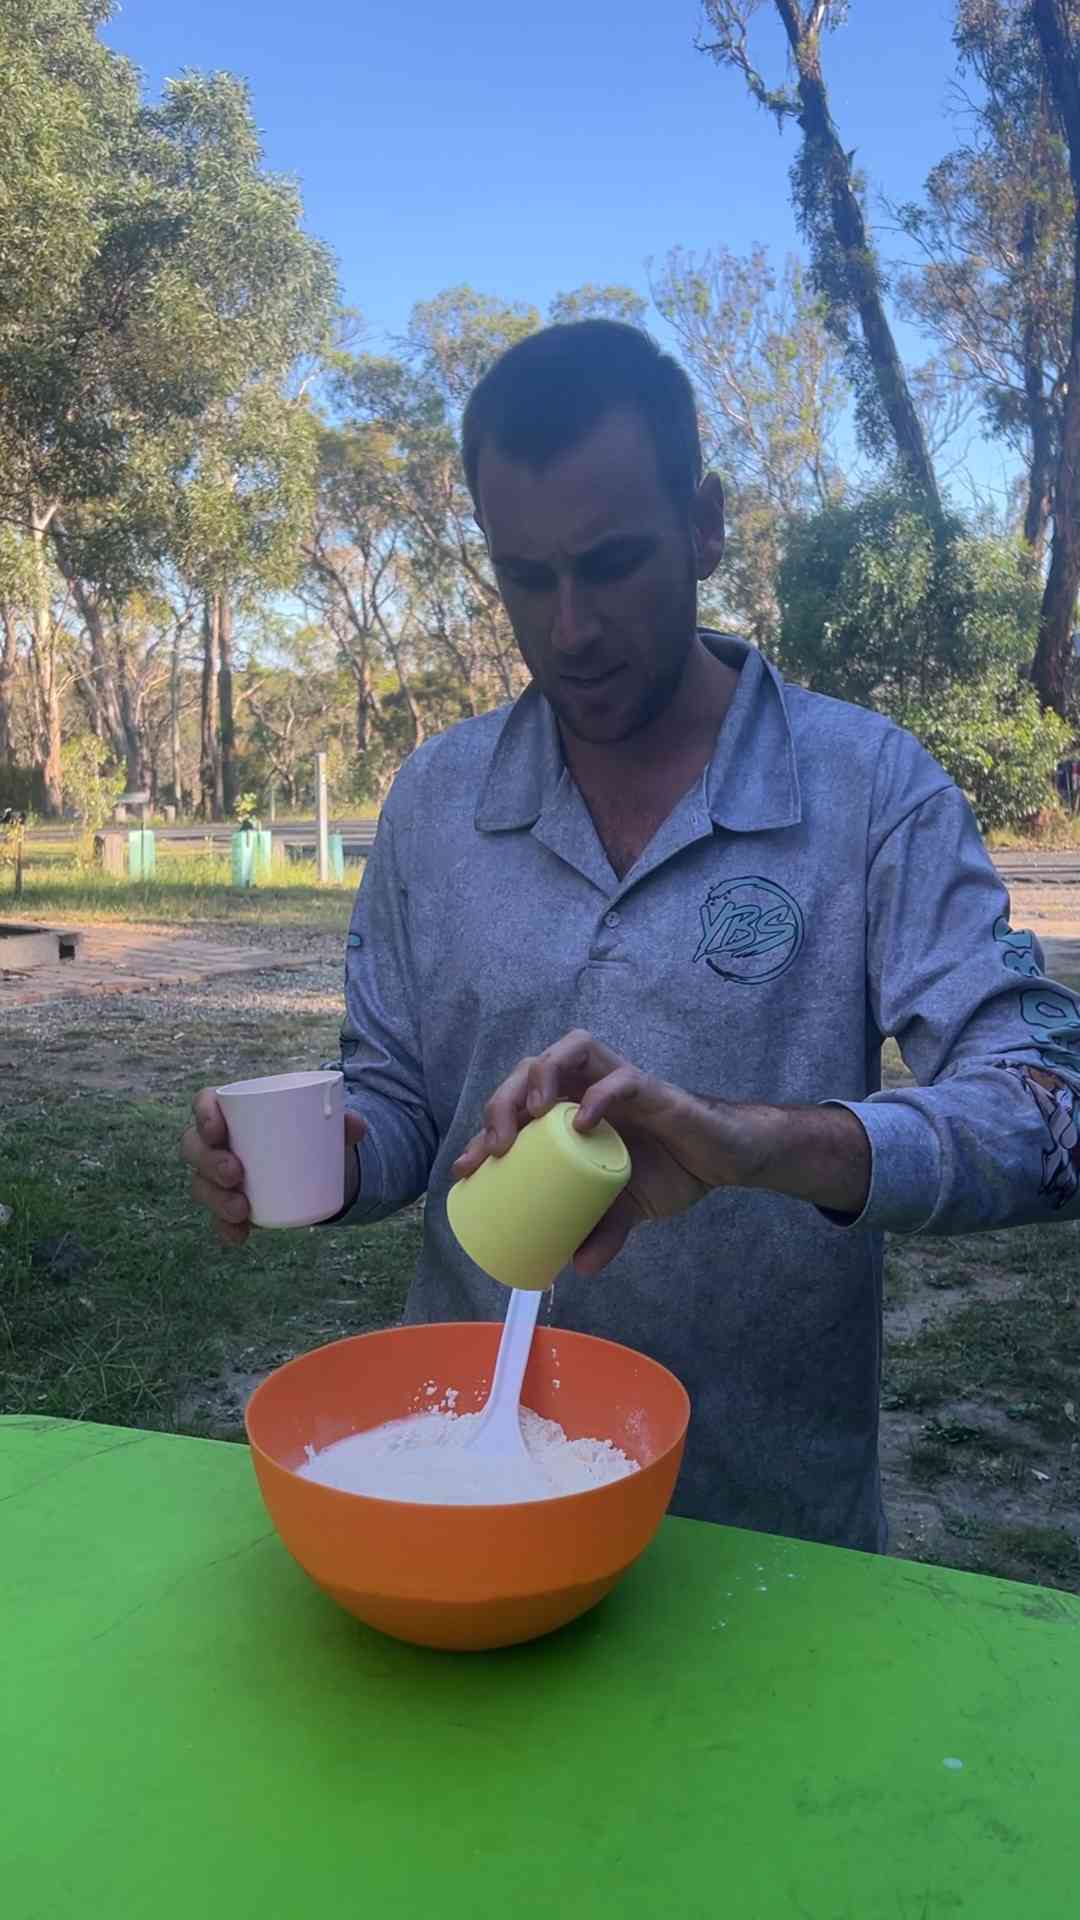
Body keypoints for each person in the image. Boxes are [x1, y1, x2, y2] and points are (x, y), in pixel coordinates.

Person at [182, 319, 1080, 1552]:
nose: (571, 631)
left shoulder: (872, 790)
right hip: (467, 1503)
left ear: (706, 523)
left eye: (612, 565)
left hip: (764, 1538)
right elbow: (401, 1104)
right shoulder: (437, 804)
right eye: (525, 577)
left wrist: (752, 1143)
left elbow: (1051, 1114)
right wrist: (317, 1157)